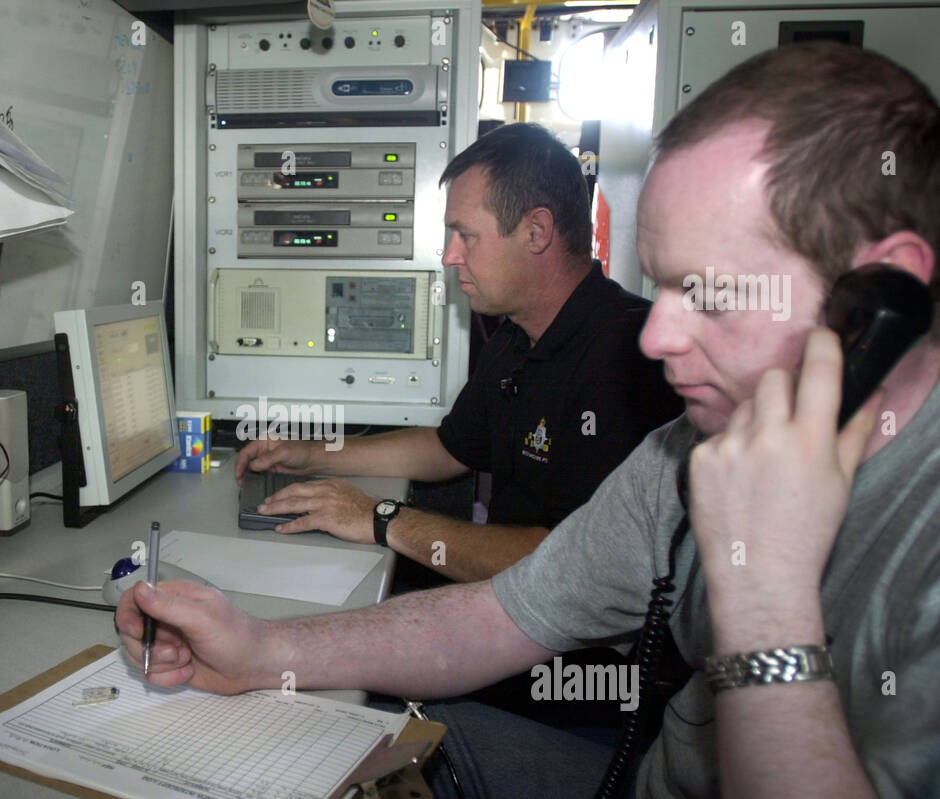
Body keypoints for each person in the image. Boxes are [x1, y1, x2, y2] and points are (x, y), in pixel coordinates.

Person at [118, 42, 940, 799]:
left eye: (708, 293)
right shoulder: (687, 456)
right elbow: (505, 613)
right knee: (345, 756)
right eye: (660, 286)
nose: (656, 336)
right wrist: (262, 651)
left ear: (876, 301)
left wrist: (765, 605)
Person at [235, 123, 681, 583]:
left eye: (465, 235)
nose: (450, 256)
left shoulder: (631, 357)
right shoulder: (517, 337)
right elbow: (449, 449)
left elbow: (573, 562)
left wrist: (381, 517)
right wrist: (312, 455)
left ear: (536, 232)